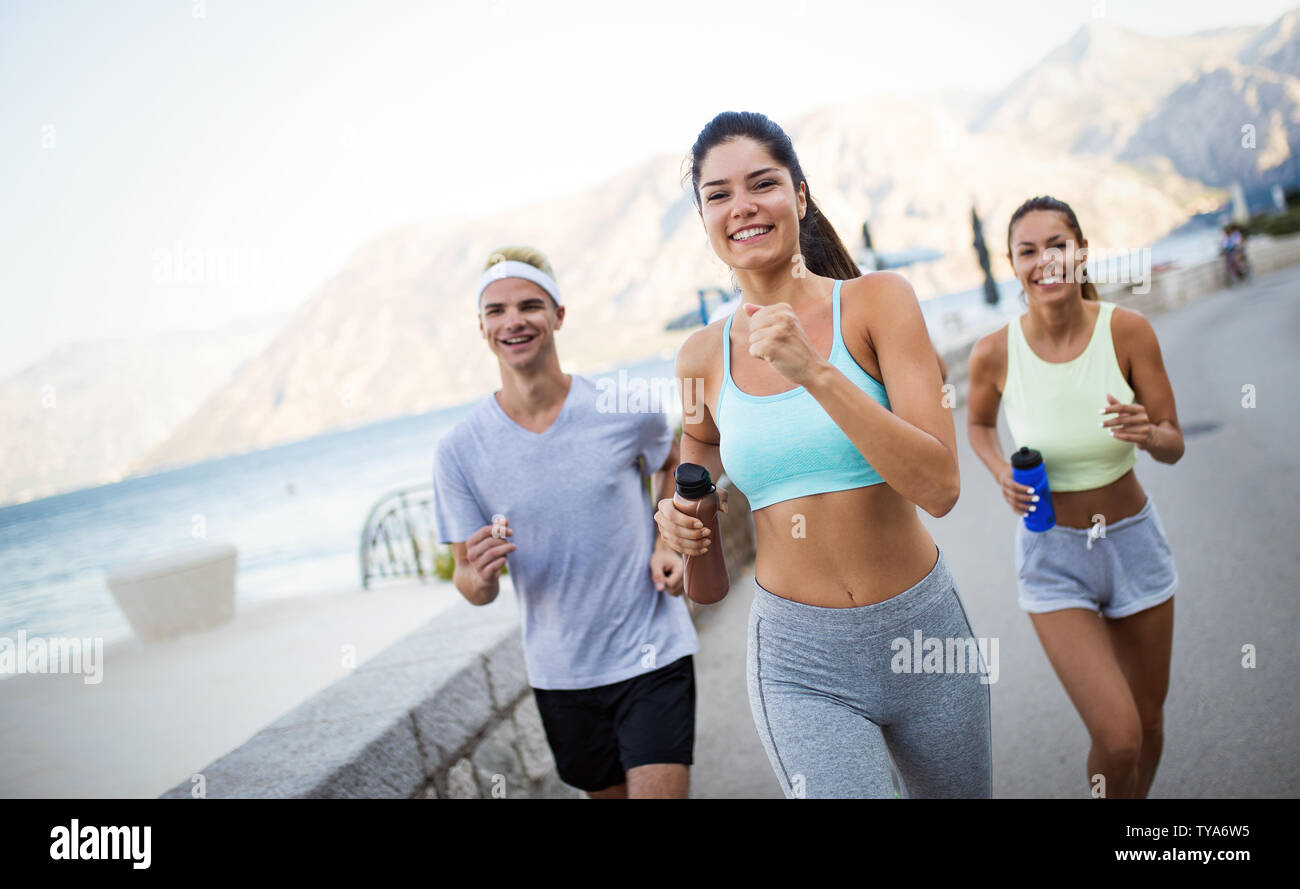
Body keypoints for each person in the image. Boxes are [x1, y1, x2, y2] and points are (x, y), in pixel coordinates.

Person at [654, 111, 991, 799]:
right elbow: (705, 518)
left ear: (800, 197)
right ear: (704, 218)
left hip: (923, 630)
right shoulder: (699, 356)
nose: (741, 206)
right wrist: (681, 517)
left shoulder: (878, 303)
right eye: (718, 194)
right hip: (799, 662)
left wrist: (816, 372)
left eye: (761, 184)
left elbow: (940, 485)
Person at [432, 246, 699, 799]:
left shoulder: (623, 408)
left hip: (652, 650)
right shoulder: (459, 451)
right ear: (481, 328)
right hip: (562, 675)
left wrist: (665, 543)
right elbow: (467, 580)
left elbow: (670, 461)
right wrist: (479, 578)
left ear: (558, 315)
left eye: (530, 305)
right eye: (497, 310)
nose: (514, 321)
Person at [966, 195, 1185, 799]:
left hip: (1135, 543)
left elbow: (1174, 443)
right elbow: (979, 426)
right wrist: (998, 471)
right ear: (1012, 265)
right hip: (1053, 555)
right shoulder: (994, 351)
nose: (1045, 262)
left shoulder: (1128, 332)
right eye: (1027, 252)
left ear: (1081, 250)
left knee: (1148, 724)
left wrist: (1149, 433)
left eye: (1056, 245)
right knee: (1118, 738)